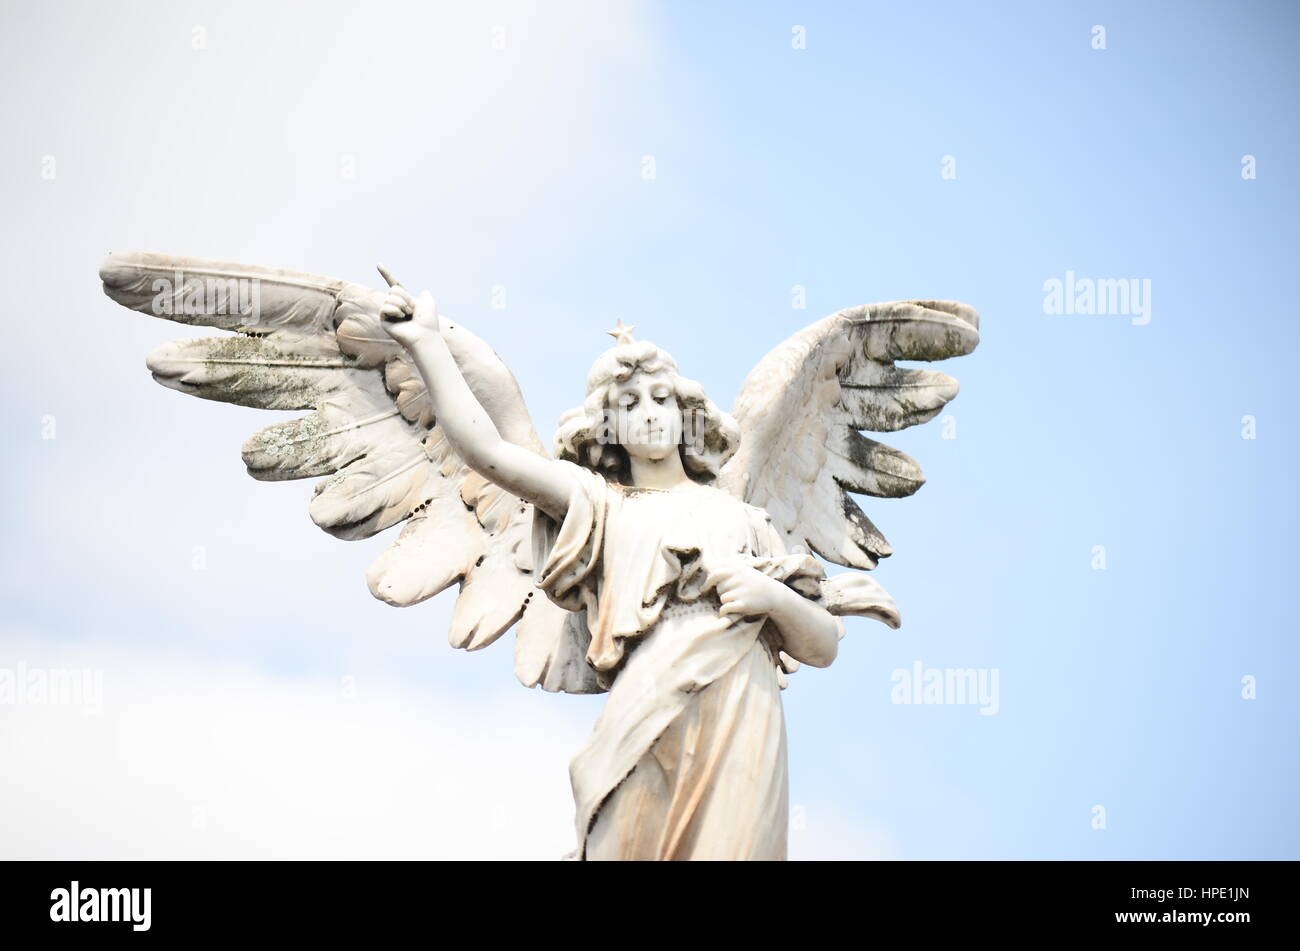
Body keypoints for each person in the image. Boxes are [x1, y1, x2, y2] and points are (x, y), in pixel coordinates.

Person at [381, 285, 841, 860]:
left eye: (659, 398)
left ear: (685, 414)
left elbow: (821, 645)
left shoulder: (746, 518)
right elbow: (484, 450)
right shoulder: (599, 505)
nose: (648, 414)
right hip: (646, 696)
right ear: (606, 431)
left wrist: (771, 598)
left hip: (743, 701)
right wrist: (426, 344)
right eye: (628, 405)